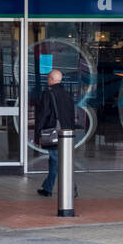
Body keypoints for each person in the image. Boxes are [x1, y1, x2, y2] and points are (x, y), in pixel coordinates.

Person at [35, 69, 77, 198]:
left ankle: (72, 187)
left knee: (58, 160)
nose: (47, 80)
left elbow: (43, 114)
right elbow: (72, 114)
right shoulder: (67, 94)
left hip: (53, 133)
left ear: (51, 79)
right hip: (67, 133)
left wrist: (38, 133)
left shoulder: (48, 94)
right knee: (55, 160)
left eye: (48, 78)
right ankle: (47, 187)